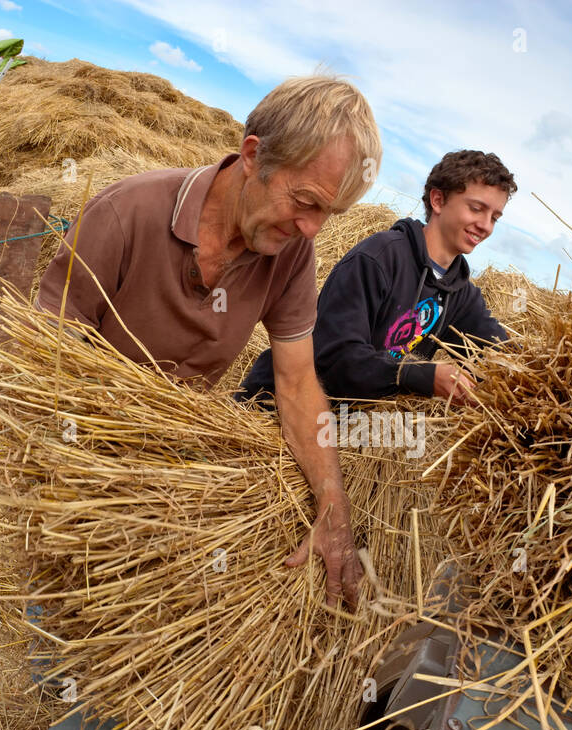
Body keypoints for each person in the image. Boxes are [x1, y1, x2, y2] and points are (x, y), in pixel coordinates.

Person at [35, 75, 382, 609]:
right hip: (73, 451)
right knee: (59, 599)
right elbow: (43, 349)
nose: (312, 229)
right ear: (253, 156)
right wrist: (95, 456)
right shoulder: (126, 213)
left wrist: (333, 507)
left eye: (328, 214)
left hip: (164, 461)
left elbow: (295, 381)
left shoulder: (289, 252)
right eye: (306, 201)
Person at [237, 150, 516, 404]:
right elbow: (334, 359)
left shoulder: (461, 294)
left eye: (495, 217)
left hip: (349, 424)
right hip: (278, 406)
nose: (485, 226)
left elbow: (501, 356)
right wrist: (419, 375)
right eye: (476, 209)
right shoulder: (378, 258)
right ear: (438, 199)